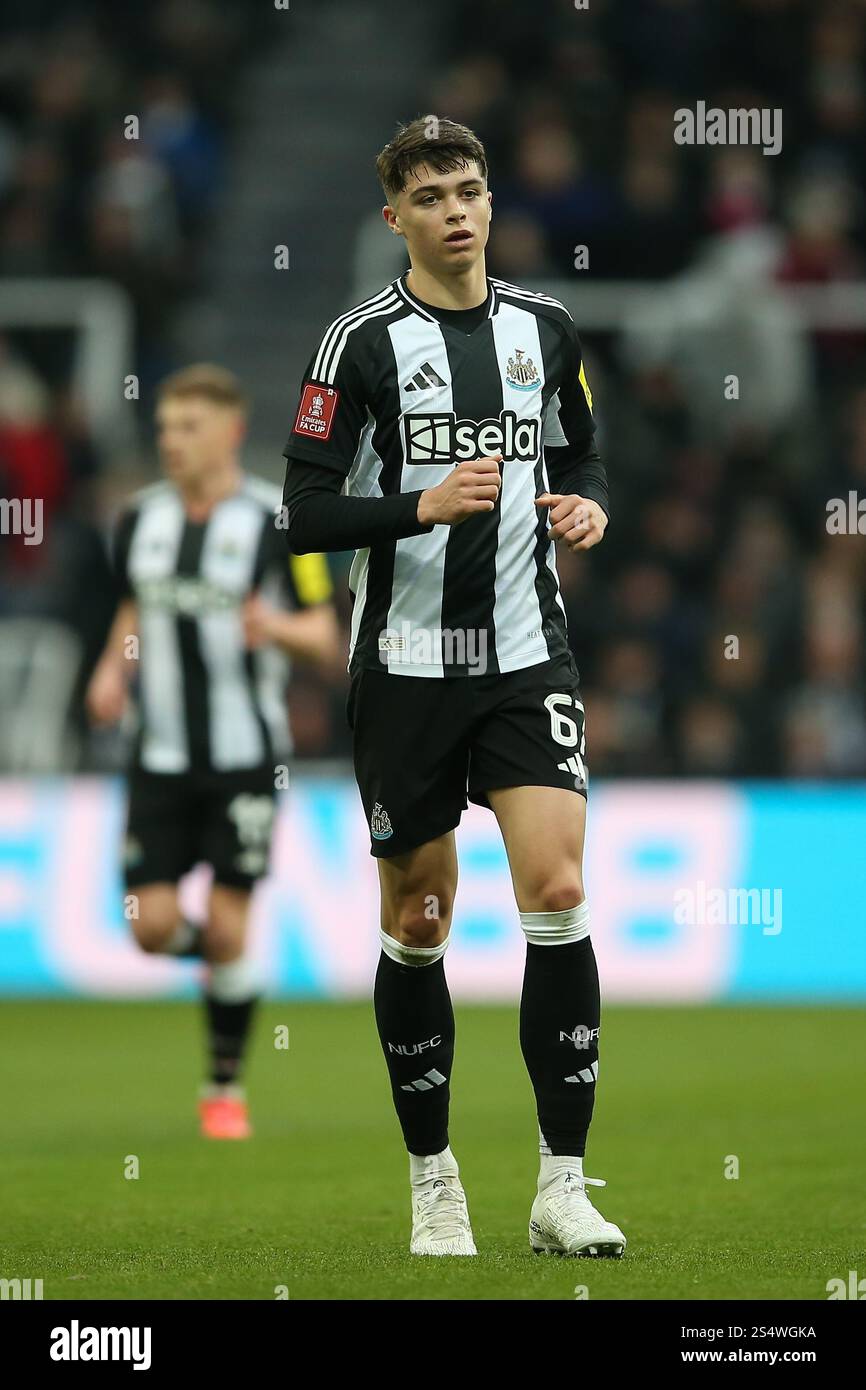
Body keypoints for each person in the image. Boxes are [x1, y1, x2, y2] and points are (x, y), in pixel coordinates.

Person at [282, 117, 625, 1257]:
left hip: (529, 656)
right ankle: (434, 1180)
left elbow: (576, 448)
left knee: (557, 885)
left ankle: (561, 1184)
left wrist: (585, 503)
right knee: (418, 917)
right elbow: (305, 510)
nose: (456, 211)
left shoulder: (545, 327)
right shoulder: (357, 346)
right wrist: (416, 506)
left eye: (468, 190)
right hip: (405, 666)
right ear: (397, 219)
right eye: (429, 197)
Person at [88, 364, 339, 1139]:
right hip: (157, 755)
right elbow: (133, 604)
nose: (171, 442)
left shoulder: (282, 522)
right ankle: (227, 965)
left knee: (229, 926)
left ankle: (223, 1086)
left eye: (188, 427)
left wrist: (275, 629)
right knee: (151, 926)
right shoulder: (138, 519)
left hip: (244, 760)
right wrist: (111, 666)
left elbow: (327, 635)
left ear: (230, 432)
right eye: (164, 427)